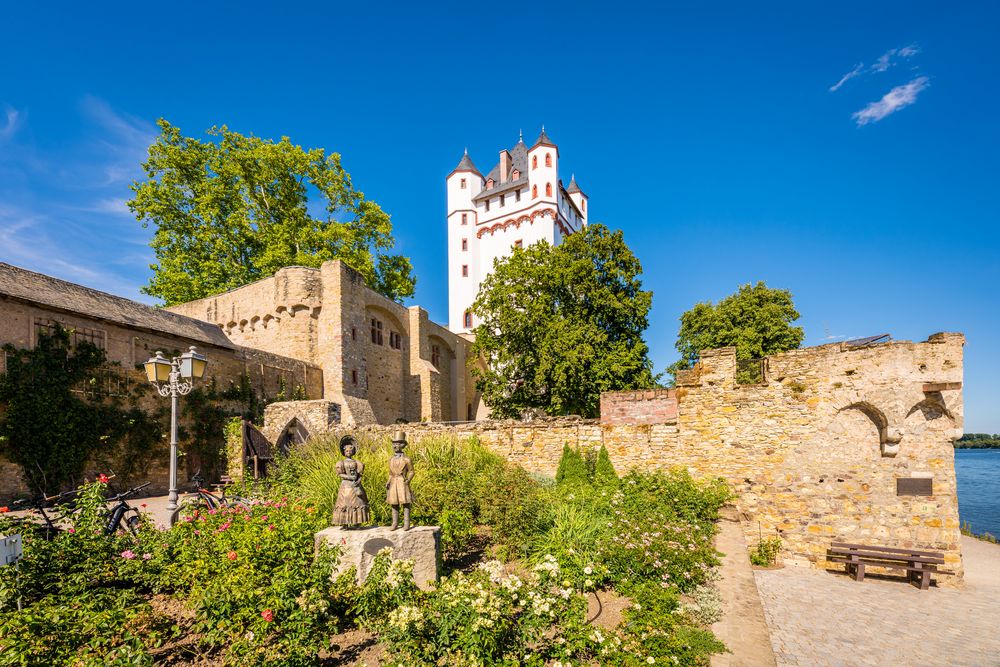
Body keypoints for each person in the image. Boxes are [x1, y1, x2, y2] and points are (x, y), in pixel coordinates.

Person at [332, 435, 370, 527]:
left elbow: (360, 474)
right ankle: (344, 522)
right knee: (344, 503)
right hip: (346, 486)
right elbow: (340, 474)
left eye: (350, 451)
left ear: (354, 451)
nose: (349, 452)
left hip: (355, 485)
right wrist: (349, 477)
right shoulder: (341, 463)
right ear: (344, 452)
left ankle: (357, 521)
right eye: (347, 451)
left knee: (357, 502)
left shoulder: (357, 463)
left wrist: (358, 480)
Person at [385, 430, 414, 530]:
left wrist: (408, 480)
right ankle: (395, 523)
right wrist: (388, 482)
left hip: (402, 482)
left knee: (405, 503)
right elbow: (390, 473)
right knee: (394, 503)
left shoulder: (407, 459)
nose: (395, 446)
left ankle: (406, 523)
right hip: (393, 483)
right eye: (394, 444)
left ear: (402, 445)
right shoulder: (391, 459)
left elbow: (411, 471)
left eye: (397, 443)